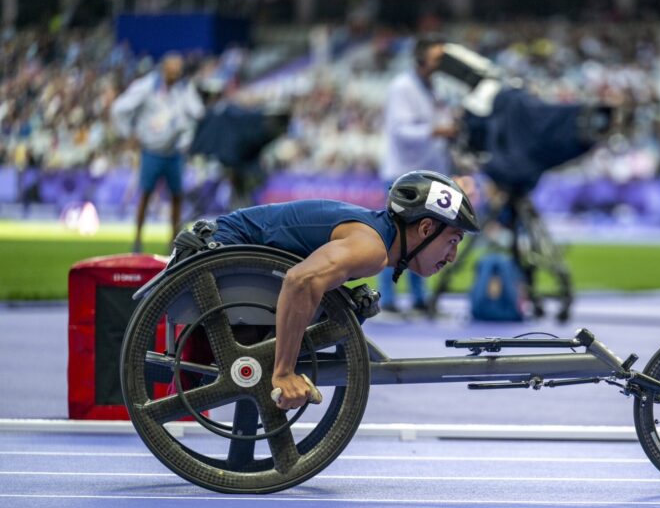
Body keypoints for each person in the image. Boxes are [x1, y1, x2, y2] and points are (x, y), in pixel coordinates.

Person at [210, 170, 479, 410]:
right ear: (426, 228)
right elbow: (300, 281)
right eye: (452, 241)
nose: (452, 256)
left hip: (227, 251)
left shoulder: (375, 237)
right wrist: (283, 372)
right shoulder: (371, 249)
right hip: (219, 251)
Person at [376, 34, 459, 314]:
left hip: (430, 176)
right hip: (403, 176)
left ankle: (420, 298)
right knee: (395, 236)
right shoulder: (403, 86)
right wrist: (437, 130)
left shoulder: (435, 87)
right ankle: (385, 298)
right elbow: (401, 132)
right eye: (438, 57)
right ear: (422, 57)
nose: (441, 63)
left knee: (427, 237)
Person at [111, 52, 204, 253]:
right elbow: (119, 108)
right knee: (145, 194)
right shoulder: (146, 86)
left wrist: (187, 136)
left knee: (177, 196)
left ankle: (174, 241)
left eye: (178, 70)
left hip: (175, 152)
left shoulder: (184, 89)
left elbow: (198, 113)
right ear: (164, 69)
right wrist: (129, 133)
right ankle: (137, 239)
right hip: (151, 150)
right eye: (173, 70)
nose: (176, 74)